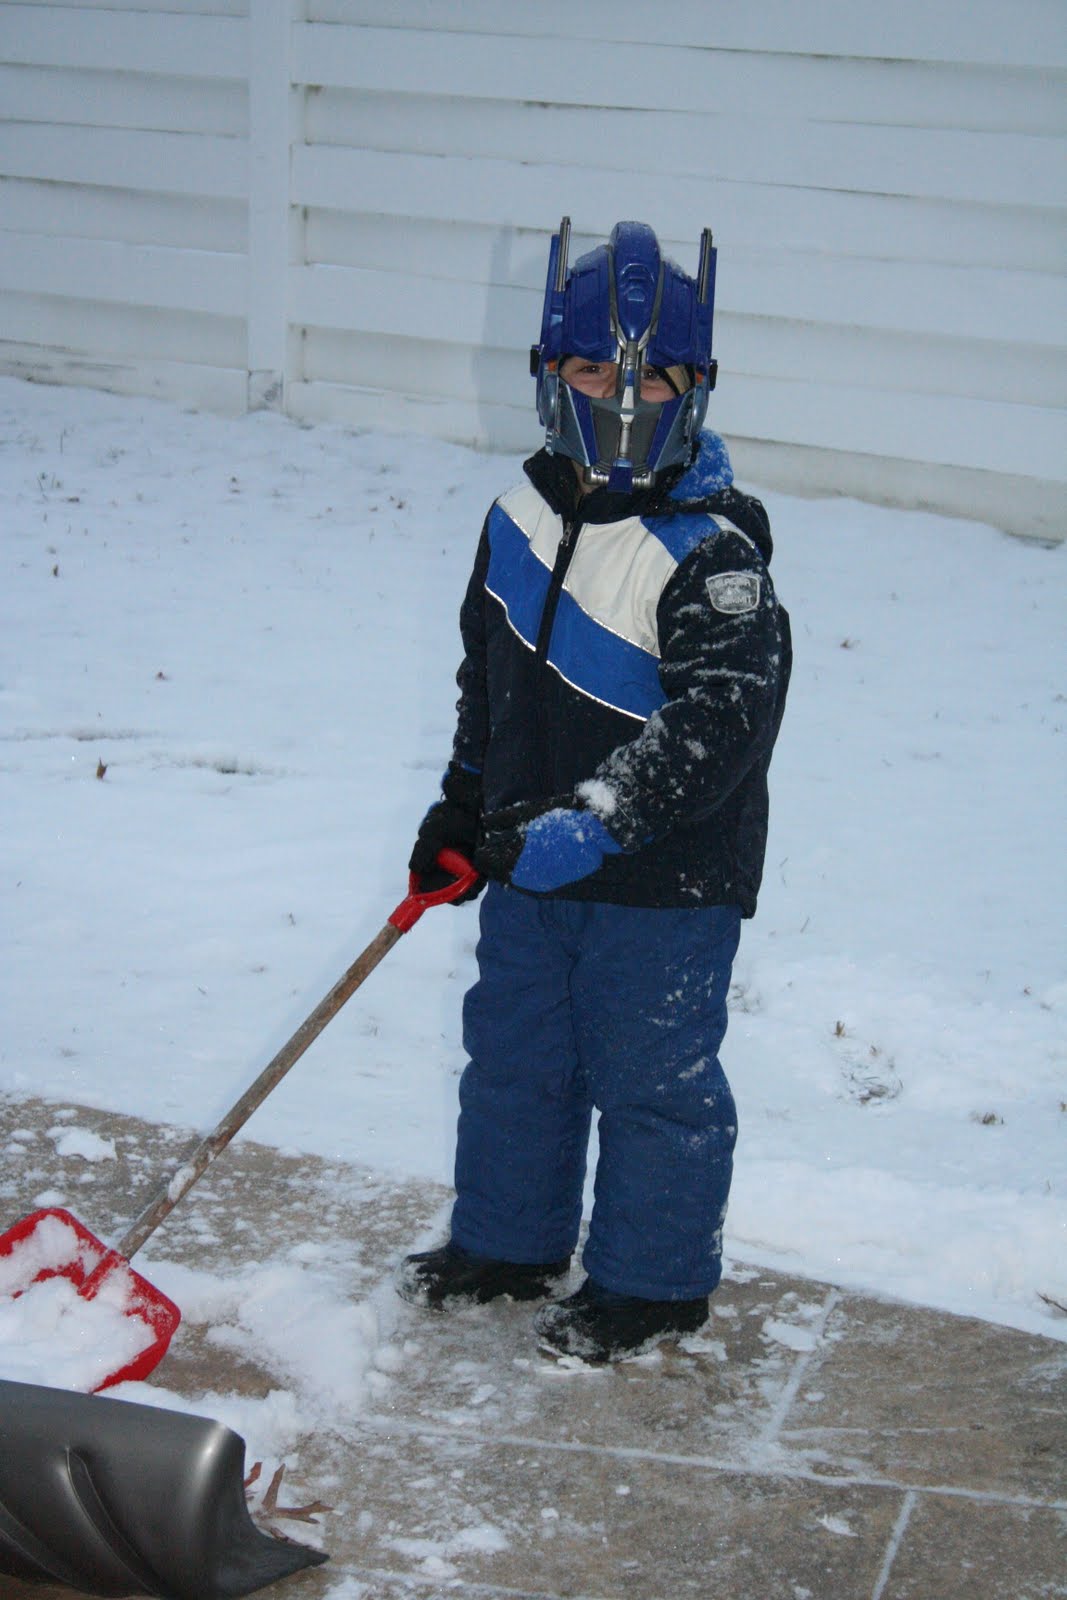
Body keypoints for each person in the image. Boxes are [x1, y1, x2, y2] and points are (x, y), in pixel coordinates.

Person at [397, 217, 791, 1363]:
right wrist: (463, 809)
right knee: (517, 1057)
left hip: (664, 886)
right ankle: (508, 1241)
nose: (620, 393)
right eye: (590, 367)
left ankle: (650, 1282)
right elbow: (489, 684)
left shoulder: (709, 558)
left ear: (695, 389)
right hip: (529, 869)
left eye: (651, 374)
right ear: (546, 375)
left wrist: (596, 823)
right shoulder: (515, 518)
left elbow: (719, 727)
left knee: (650, 1084)